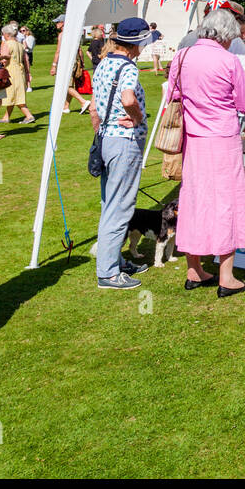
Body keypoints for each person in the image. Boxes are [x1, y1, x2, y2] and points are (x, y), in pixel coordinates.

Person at [168, 9, 245, 297]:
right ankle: (226, 275)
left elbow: (173, 94)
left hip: (193, 139)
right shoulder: (229, 61)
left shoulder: (181, 57)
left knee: (194, 199)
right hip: (222, 139)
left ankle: (194, 269)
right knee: (227, 202)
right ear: (227, 36)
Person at [90, 18, 157, 290]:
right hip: (125, 141)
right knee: (121, 207)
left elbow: (95, 107)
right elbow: (128, 99)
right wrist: (138, 118)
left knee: (111, 203)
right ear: (136, 44)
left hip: (107, 139)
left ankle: (114, 260)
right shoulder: (127, 67)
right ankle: (108, 272)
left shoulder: (103, 63)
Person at [0, 22, 35, 124]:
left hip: (11, 71)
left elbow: (4, 60)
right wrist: (28, 73)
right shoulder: (20, 45)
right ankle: (6, 117)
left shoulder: (7, 44)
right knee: (14, 94)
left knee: (15, 95)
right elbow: (26, 59)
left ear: (6, 34)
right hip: (20, 70)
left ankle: (28, 115)